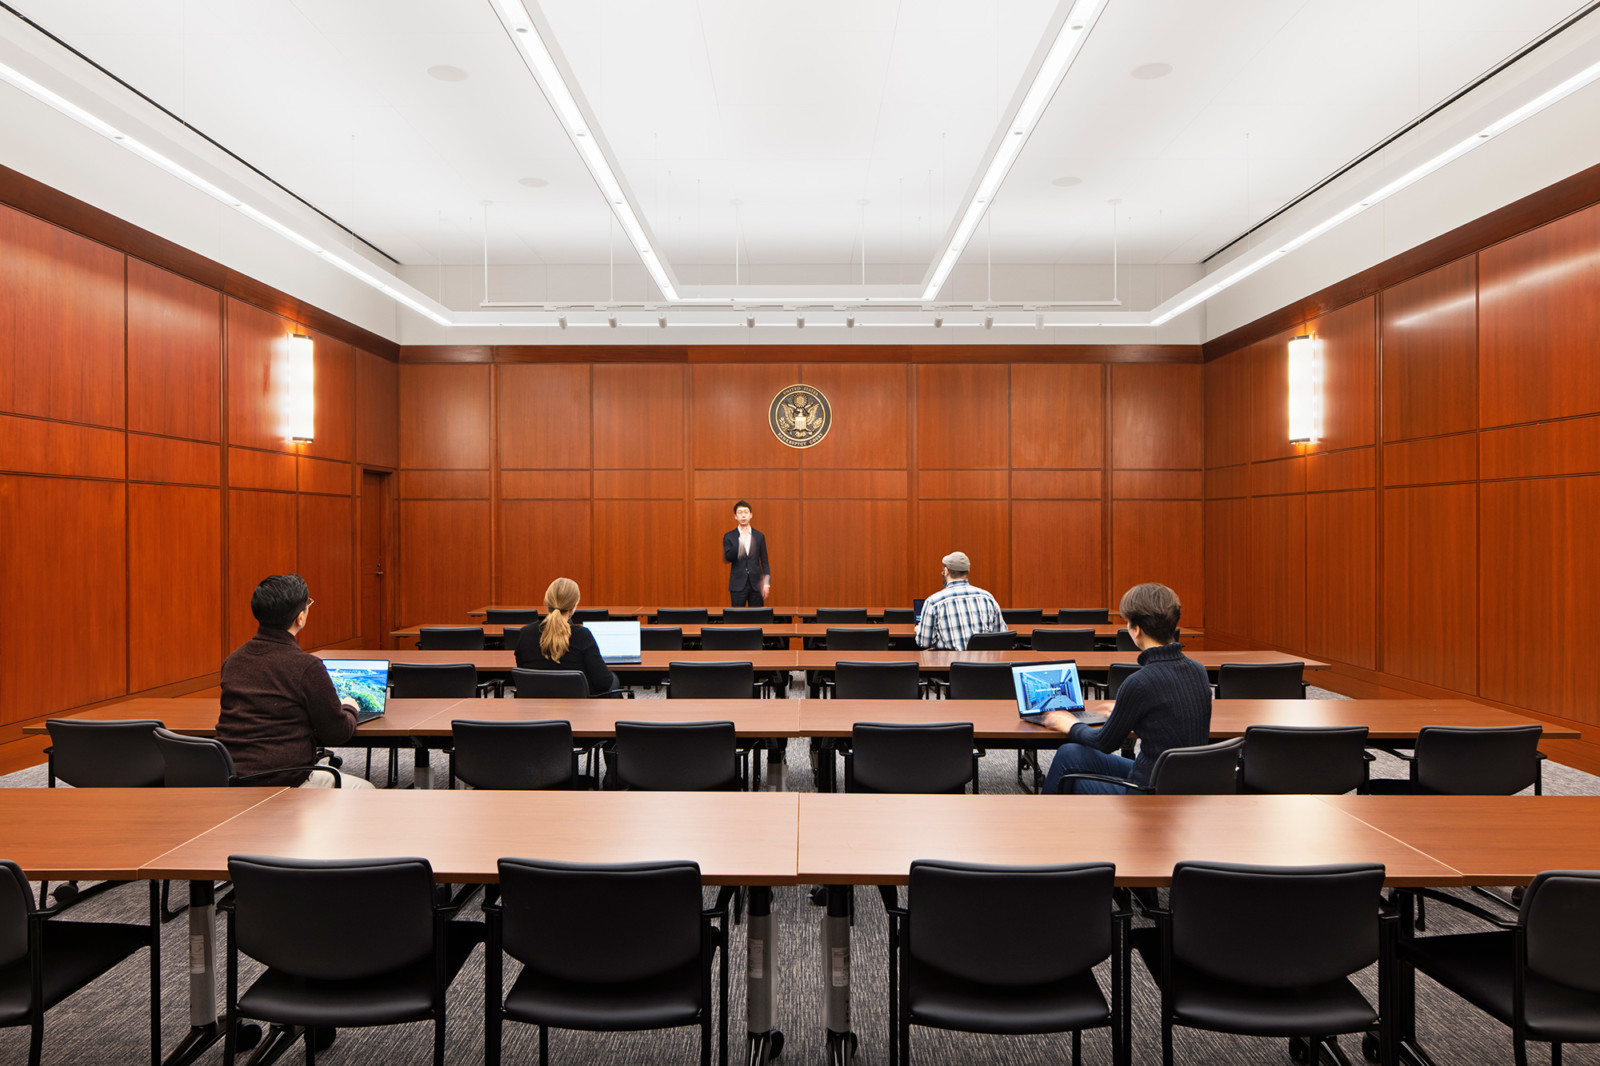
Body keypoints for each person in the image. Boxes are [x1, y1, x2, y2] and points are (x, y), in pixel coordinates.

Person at [1040, 582, 1212, 795]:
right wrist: (1128, 713)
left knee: (1068, 781)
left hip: (1150, 791)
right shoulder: (1198, 670)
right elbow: (1169, 720)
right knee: (1069, 753)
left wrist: (1070, 724)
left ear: (1137, 630)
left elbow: (1103, 743)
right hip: (1181, 781)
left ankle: (1045, 813)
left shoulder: (1139, 683)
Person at [217, 573, 372, 788]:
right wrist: (350, 708)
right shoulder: (307, 667)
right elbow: (337, 732)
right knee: (366, 790)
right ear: (300, 617)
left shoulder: (233, 661)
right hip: (284, 779)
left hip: (233, 777)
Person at [515, 577, 620, 695]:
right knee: (613, 680)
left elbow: (523, 676)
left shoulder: (526, 633)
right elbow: (603, 683)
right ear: (574, 605)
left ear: (546, 602)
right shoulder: (582, 635)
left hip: (535, 704)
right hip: (578, 705)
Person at [914, 551, 1005, 650]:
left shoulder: (934, 602)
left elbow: (924, 642)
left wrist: (920, 630)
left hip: (950, 660)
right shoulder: (988, 598)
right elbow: (1001, 635)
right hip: (985, 660)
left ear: (946, 571)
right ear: (968, 571)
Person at [722, 500, 771, 607]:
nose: (743, 515)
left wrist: (766, 583)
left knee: (757, 615)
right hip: (737, 585)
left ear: (751, 515)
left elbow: (765, 562)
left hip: (756, 585)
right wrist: (740, 542)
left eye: (746, 512)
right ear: (735, 516)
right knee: (737, 616)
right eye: (740, 512)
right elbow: (728, 557)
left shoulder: (759, 536)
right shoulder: (729, 536)